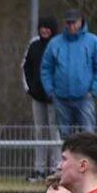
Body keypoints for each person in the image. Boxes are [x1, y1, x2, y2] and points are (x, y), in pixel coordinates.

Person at [40, 9, 97, 137]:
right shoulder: (55, 43)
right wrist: (50, 90)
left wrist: (94, 90)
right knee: (65, 137)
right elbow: (46, 68)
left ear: (81, 21)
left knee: (88, 136)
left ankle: (87, 158)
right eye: (68, 23)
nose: (71, 26)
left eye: (74, 22)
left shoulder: (93, 42)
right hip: (61, 98)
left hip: (85, 98)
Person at [22, 16, 61, 180]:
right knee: (39, 132)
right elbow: (25, 67)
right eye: (42, 27)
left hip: (55, 98)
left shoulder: (59, 44)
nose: (44, 30)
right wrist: (29, 88)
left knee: (55, 132)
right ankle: (39, 168)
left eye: (47, 27)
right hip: (37, 96)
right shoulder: (34, 44)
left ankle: (55, 168)